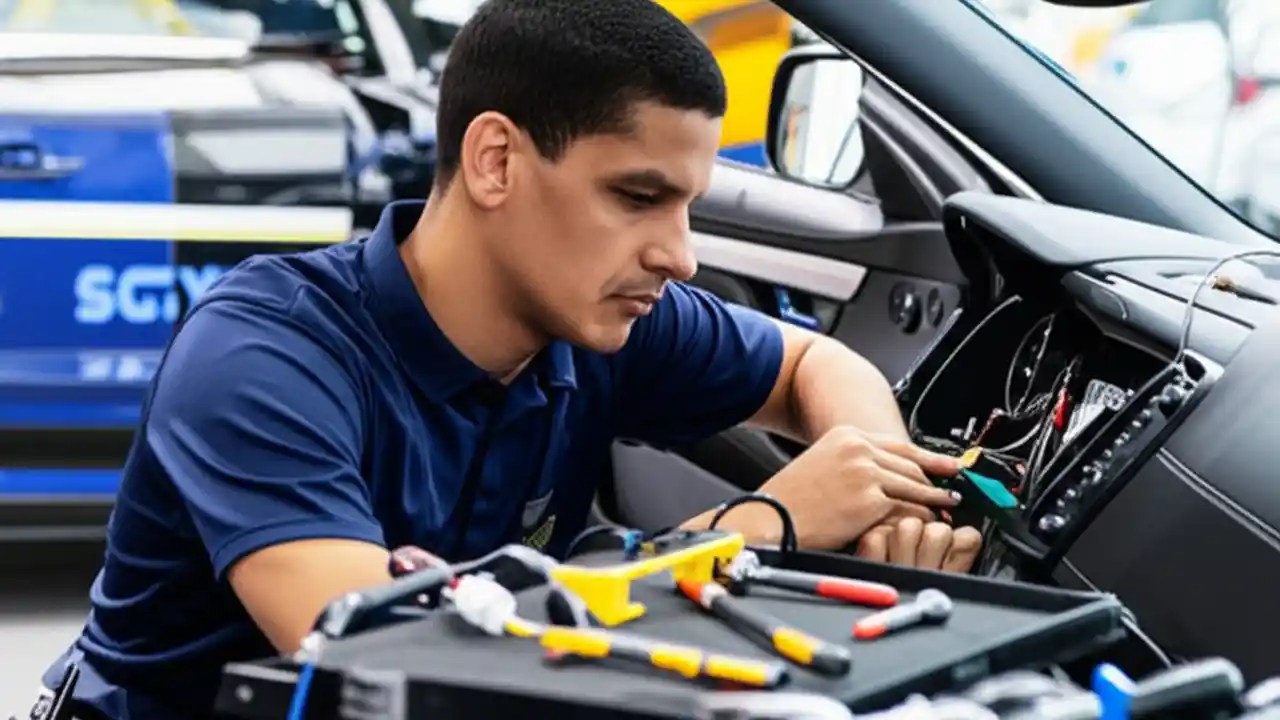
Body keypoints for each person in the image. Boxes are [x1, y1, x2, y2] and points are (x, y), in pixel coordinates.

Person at [37, 1, 980, 717]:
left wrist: (886, 499)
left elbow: (819, 368)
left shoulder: (606, 317)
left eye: (687, 206)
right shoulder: (263, 351)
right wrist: (754, 528)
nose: (680, 254)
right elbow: (378, 657)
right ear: (495, 161)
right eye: (638, 196)